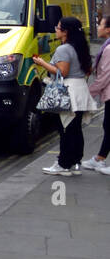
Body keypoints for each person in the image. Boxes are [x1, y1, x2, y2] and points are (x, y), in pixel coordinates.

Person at [33, 16, 96, 175]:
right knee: (75, 129)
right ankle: (75, 163)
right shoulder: (81, 46)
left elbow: (62, 72)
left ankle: (63, 164)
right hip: (80, 89)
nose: (55, 29)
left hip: (67, 91)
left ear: (65, 31)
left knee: (65, 130)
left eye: (58, 27)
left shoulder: (64, 49)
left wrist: (41, 63)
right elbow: (88, 70)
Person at [83, 14, 110, 174]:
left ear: (107, 30)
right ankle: (99, 159)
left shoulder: (108, 48)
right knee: (108, 126)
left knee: (108, 126)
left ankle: (99, 159)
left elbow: (105, 76)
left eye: (100, 25)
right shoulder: (106, 46)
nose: (98, 27)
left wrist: (89, 93)